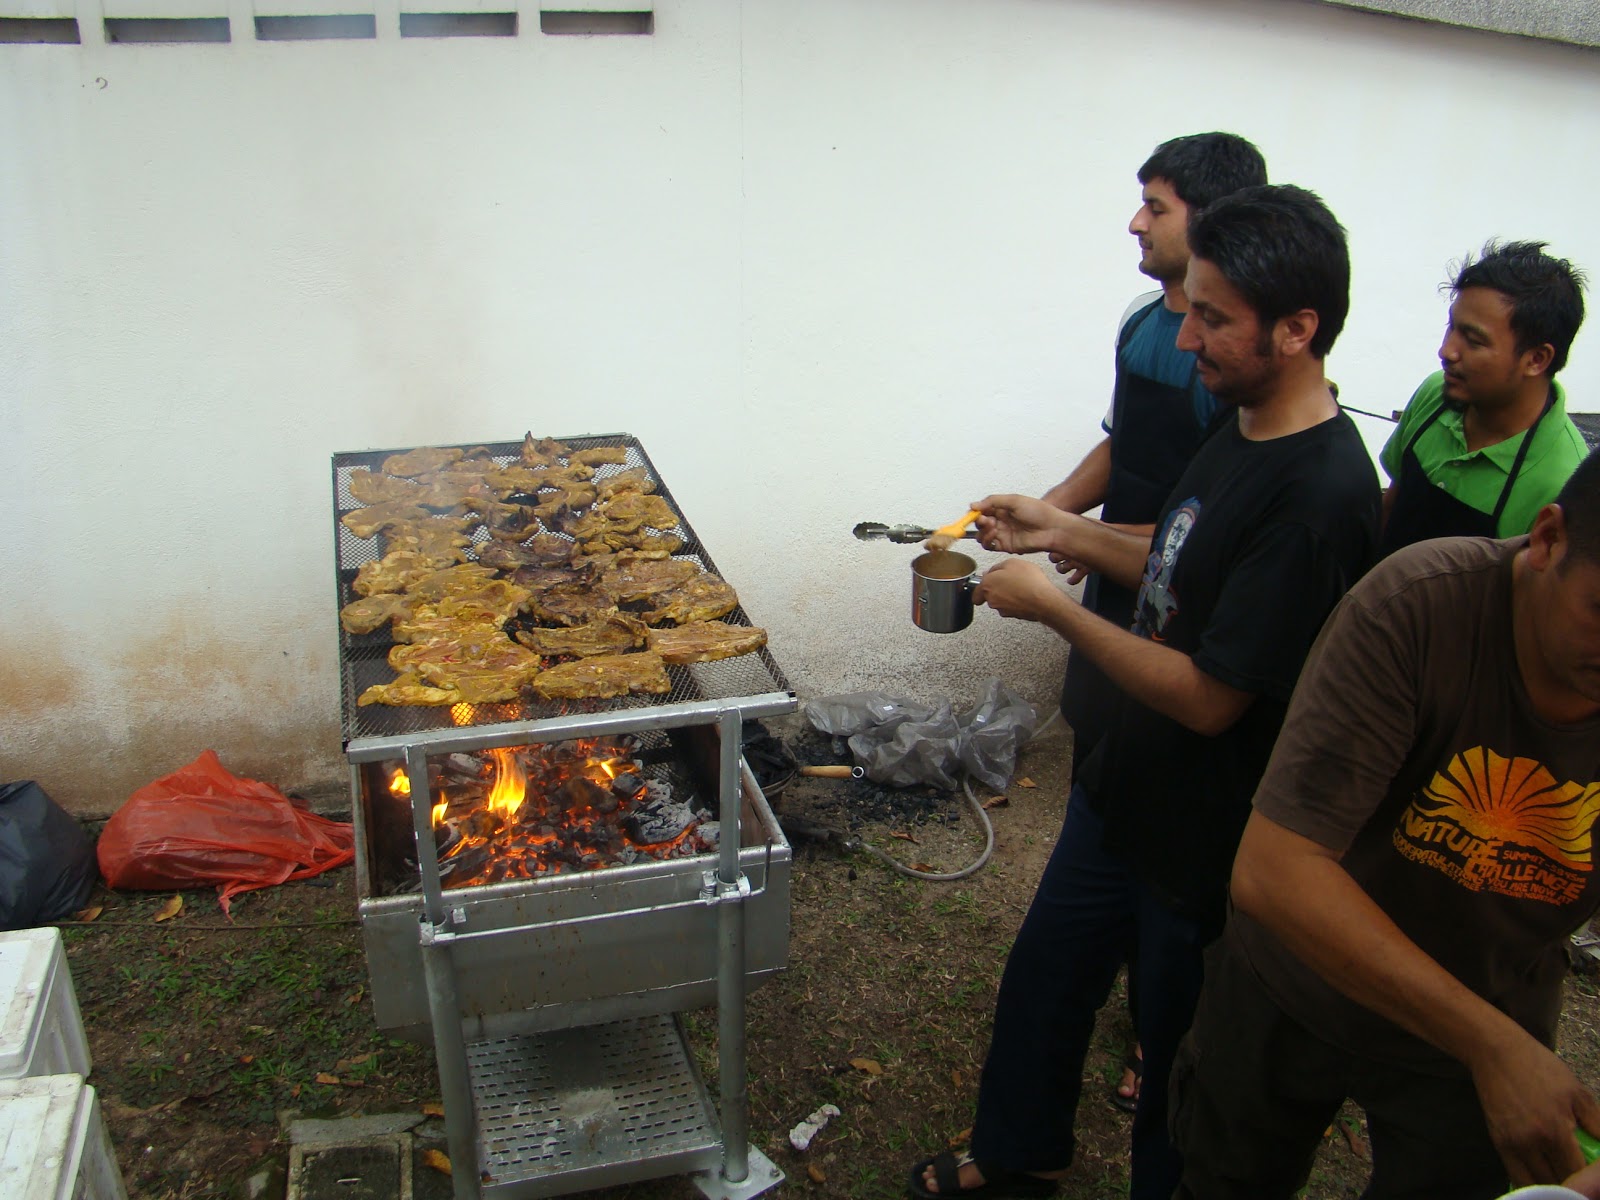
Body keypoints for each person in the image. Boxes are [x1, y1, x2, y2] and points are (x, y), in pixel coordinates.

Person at [907, 184, 1380, 1200]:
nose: (1188, 332)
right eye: (1190, 305)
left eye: (1212, 316)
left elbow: (1214, 697)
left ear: (1296, 330)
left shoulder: (1318, 498)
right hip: (1122, 787)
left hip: (1202, 839)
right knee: (1044, 983)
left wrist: (1054, 606)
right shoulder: (1242, 422)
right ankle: (1019, 1149)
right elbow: (1178, 557)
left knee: (1176, 1063)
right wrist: (1061, 529)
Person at [1170, 449, 1600, 1199]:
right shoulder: (1421, 605)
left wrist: (1495, 1049)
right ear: (1549, 538)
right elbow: (1278, 869)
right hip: (1297, 983)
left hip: (1486, 1007)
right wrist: (1493, 1047)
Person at [1042, 130, 1268, 1114]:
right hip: (1111, 592)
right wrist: (1045, 515)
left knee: (1175, 835)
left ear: (1209, 222)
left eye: (1156, 205)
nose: (1136, 222)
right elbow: (1117, 448)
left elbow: (1199, 526)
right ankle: (1097, 969)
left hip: (1183, 609)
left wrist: (1081, 543)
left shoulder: (1234, 362)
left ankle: (1158, 1031)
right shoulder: (1147, 324)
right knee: (1103, 776)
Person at [1379, 240, 1588, 556]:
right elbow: (1389, 510)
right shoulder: (1434, 394)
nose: (1446, 351)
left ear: (1536, 359)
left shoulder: (1561, 481)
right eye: (1452, 327)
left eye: (1474, 341)